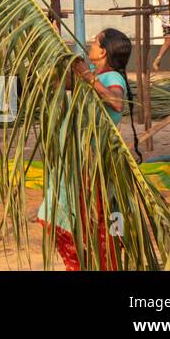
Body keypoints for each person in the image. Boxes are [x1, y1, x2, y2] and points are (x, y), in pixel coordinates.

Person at [37, 28, 138, 271]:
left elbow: (115, 101)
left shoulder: (113, 77)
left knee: (92, 220)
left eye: (94, 42)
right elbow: (60, 80)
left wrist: (88, 77)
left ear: (103, 51)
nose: (90, 44)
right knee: (67, 218)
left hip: (94, 163)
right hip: (79, 160)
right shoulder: (93, 74)